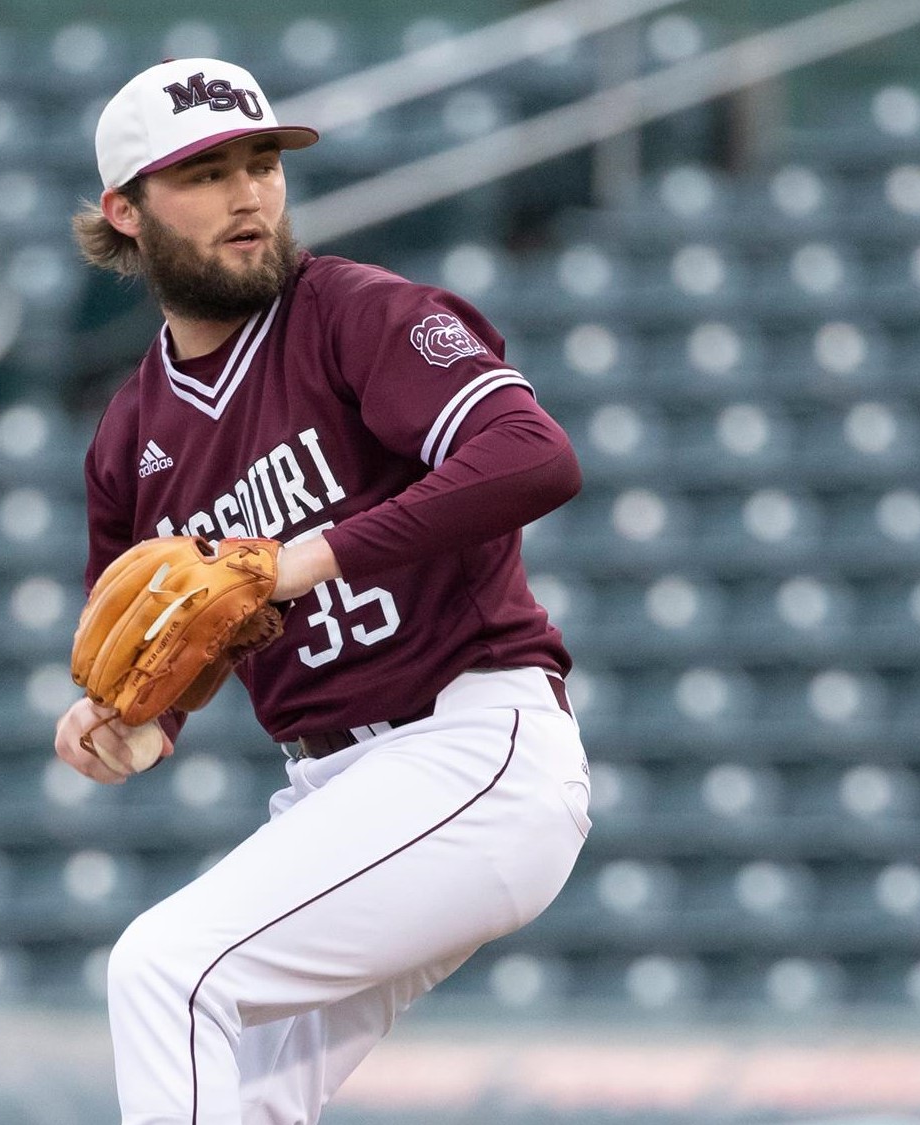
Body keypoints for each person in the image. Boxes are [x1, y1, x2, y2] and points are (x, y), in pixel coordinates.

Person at [55, 58, 593, 1125]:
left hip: (470, 748)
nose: (248, 192)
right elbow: (156, 671)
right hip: (337, 794)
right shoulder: (130, 438)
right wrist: (120, 730)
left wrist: (303, 557)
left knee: (165, 970)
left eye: (261, 163)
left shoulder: (355, 314)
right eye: (205, 173)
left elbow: (533, 457)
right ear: (125, 213)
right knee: (241, 1093)